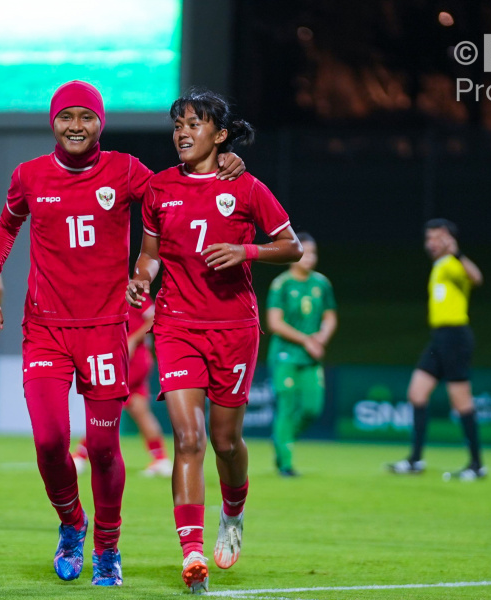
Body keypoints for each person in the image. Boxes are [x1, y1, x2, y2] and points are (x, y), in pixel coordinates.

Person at [0, 80, 244, 587]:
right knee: (51, 440)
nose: (76, 126)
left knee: (101, 449)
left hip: (104, 330)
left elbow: (174, 190)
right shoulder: (29, 176)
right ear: (52, 122)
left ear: (101, 122)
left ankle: (108, 547)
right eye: (66, 117)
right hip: (46, 330)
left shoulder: (124, 170)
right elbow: (9, 226)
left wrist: (226, 164)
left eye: (86, 117)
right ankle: (72, 524)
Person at [127, 89, 302, 593]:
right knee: (189, 437)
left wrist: (246, 251)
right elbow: (150, 256)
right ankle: (192, 552)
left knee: (226, 442)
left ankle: (233, 514)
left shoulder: (245, 187)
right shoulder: (159, 189)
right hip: (177, 324)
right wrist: (141, 277)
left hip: (234, 328)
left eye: (194, 124)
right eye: (177, 123)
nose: (182, 132)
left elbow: (290, 246)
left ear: (220, 135)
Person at [389, 218, 485, 481]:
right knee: (417, 394)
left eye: (438, 237)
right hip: (439, 338)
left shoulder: (454, 263)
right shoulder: (439, 265)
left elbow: (476, 278)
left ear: (450, 240)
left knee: (461, 400)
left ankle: (477, 465)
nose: (432, 242)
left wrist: (458, 252)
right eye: (429, 237)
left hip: (455, 336)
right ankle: (415, 461)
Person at [72, 294, 172, 478]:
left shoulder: (133, 291)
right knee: (139, 408)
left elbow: (155, 317)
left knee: (106, 404)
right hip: (123, 358)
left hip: (131, 359)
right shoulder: (106, 293)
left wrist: (133, 339)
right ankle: (161, 459)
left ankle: (80, 455)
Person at [266, 232, 337, 477]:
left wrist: (321, 338)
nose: (309, 258)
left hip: (311, 356)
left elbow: (330, 316)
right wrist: (307, 339)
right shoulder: (282, 284)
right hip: (285, 355)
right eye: (304, 252)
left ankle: (281, 438)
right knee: (286, 406)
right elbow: (274, 322)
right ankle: (285, 462)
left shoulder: (322, 284)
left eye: (313, 252)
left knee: (312, 408)